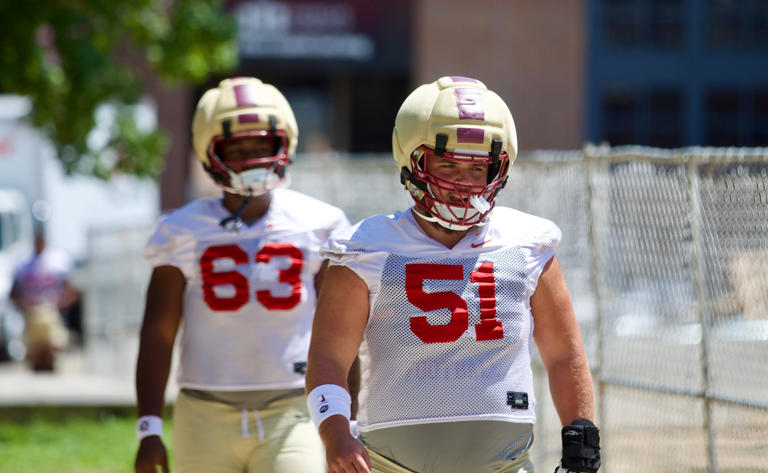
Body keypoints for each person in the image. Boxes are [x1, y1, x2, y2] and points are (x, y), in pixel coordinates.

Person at [305, 76, 601, 473]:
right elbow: (328, 358)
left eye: (478, 167)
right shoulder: (364, 248)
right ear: (412, 162)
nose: (463, 179)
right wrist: (335, 433)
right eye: (447, 163)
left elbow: (564, 354)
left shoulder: (528, 242)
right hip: (389, 464)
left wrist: (581, 440)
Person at [134, 76, 350, 473]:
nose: (251, 157)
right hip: (203, 411)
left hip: (293, 407)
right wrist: (148, 429)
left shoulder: (319, 223)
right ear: (210, 151)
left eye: (261, 145)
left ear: (283, 144)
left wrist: (349, 420)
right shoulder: (181, 229)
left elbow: (342, 331)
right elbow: (158, 332)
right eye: (238, 147)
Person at [11, 226, 80, 371]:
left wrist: (62, 302)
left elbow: (72, 290)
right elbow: (14, 292)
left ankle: (48, 360)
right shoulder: (24, 264)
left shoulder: (57, 261)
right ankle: (36, 360)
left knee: (55, 339)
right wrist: (23, 303)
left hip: (51, 311)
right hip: (32, 313)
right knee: (34, 342)